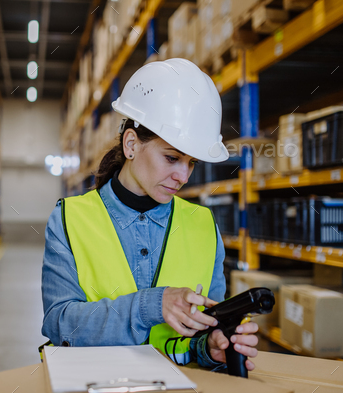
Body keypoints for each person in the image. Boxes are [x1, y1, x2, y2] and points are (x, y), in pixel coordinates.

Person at [41, 59, 259, 369]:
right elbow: (60, 323)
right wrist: (150, 306)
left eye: (191, 163)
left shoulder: (202, 226)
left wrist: (212, 347)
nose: (183, 177)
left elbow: (204, 328)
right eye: (171, 158)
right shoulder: (69, 219)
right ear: (131, 144)